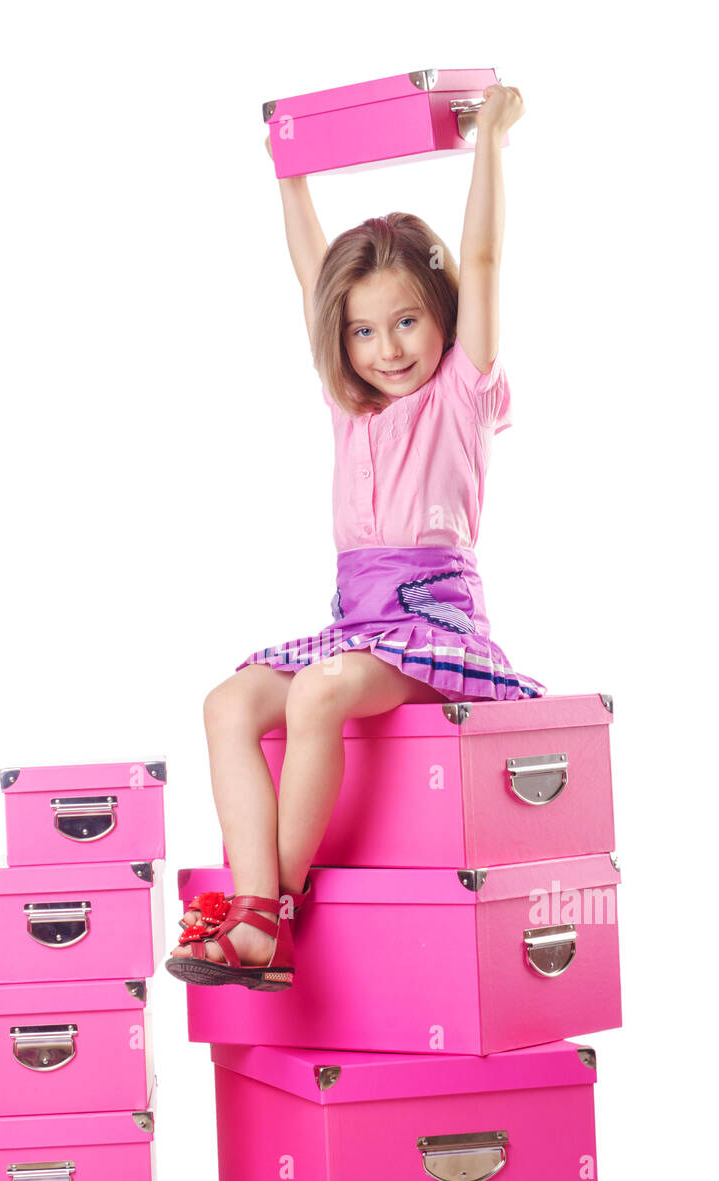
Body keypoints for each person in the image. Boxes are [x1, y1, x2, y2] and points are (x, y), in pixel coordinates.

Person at [166, 83, 545, 992]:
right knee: (228, 703)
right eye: (364, 330)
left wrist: (488, 139)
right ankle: (254, 902)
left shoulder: (461, 392)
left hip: (431, 628)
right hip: (354, 626)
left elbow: (484, 258)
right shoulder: (350, 407)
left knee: (318, 698)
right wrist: (285, 169)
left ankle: (266, 915)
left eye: (406, 320)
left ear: (442, 317)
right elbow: (311, 274)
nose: (385, 348)